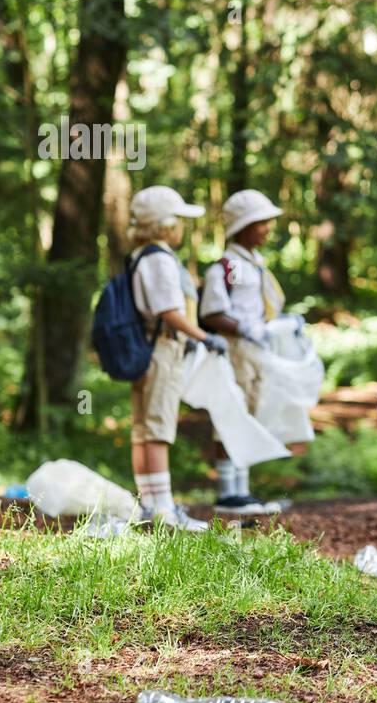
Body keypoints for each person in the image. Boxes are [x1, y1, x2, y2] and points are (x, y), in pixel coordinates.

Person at [126, 185, 229, 532]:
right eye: (179, 220)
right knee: (157, 428)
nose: (182, 227)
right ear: (165, 224)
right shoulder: (158, 259)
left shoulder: (143, 255)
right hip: (162, 348)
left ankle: (151, 503)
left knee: (145, 428)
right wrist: (206, 337)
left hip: (148, 346)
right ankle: (163, 508)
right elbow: (168, 310)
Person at [199, 189, 306, 516]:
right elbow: (211, 312)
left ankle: (242, 490)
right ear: (243, 226)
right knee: (231, 413)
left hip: (257, 352)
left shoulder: (256, 264)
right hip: (235, 351)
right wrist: (244, 328)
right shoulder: (226, 268)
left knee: (250, 414)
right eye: (262, 223)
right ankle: (228, 491)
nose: (268, 229)